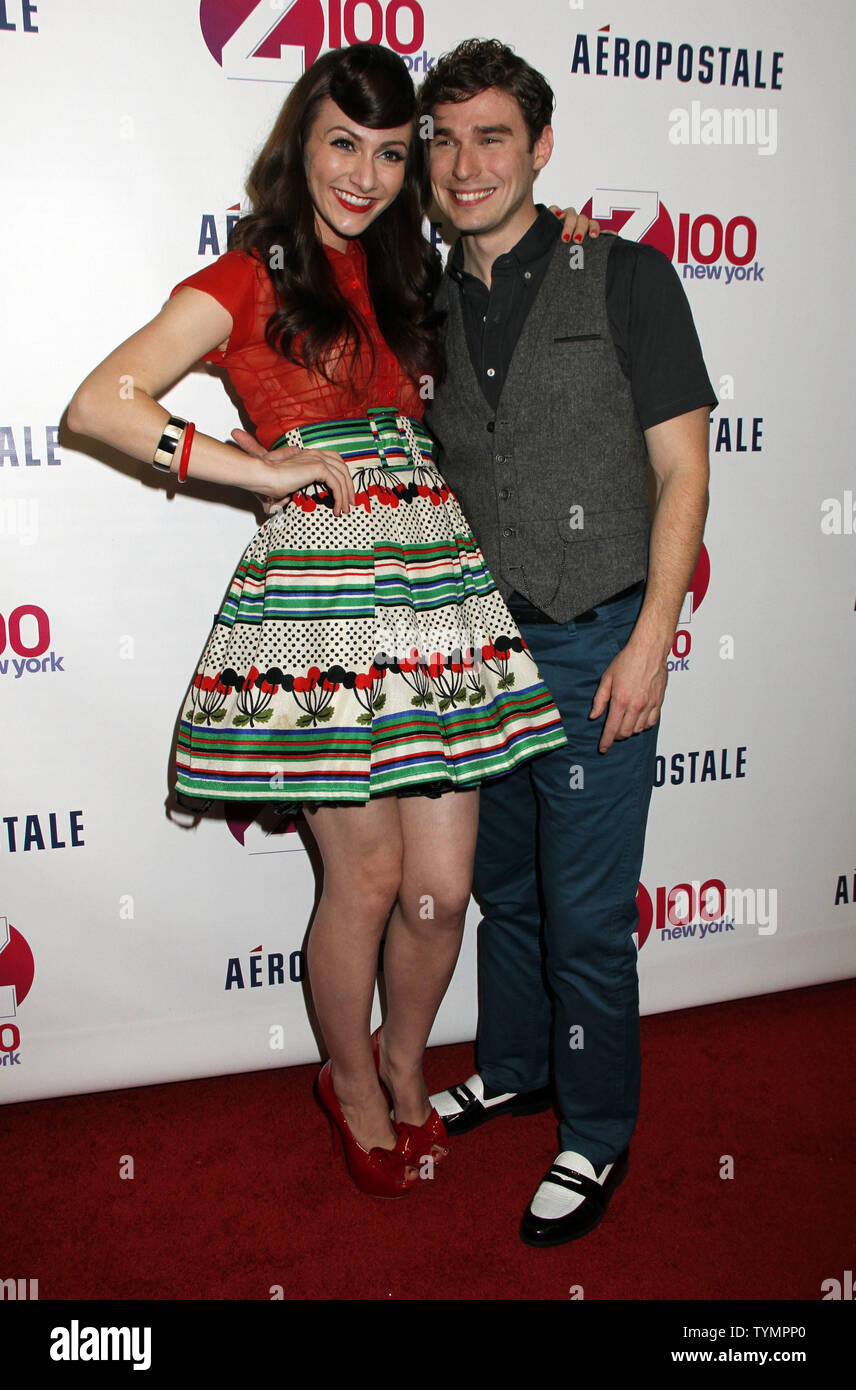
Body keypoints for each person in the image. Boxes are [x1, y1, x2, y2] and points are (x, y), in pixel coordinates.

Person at [67, 44, 573, 1200]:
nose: (368, 172)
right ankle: (354, 1084)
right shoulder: (250, 273)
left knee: (442, 888)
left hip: (436, 590)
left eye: (394, 153)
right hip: (324, 603)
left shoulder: (408, 271)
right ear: (300, 139)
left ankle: (407, 1061)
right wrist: (250, 469)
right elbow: (102, 402)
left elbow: (516, 255)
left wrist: (574, 233)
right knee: (367, 877)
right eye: (344, 142)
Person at [418, 39, 717, 1244]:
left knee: (587, 915)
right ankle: (518, 1063)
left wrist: (654, 638)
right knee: (504, 890)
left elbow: (682, 473)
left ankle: (594, 1132)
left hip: (598, 639)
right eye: (443, 139)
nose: (464, 162)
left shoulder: (627, 274)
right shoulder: (422, 300)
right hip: (479, 651)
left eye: (492, 136)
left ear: (540, 147)